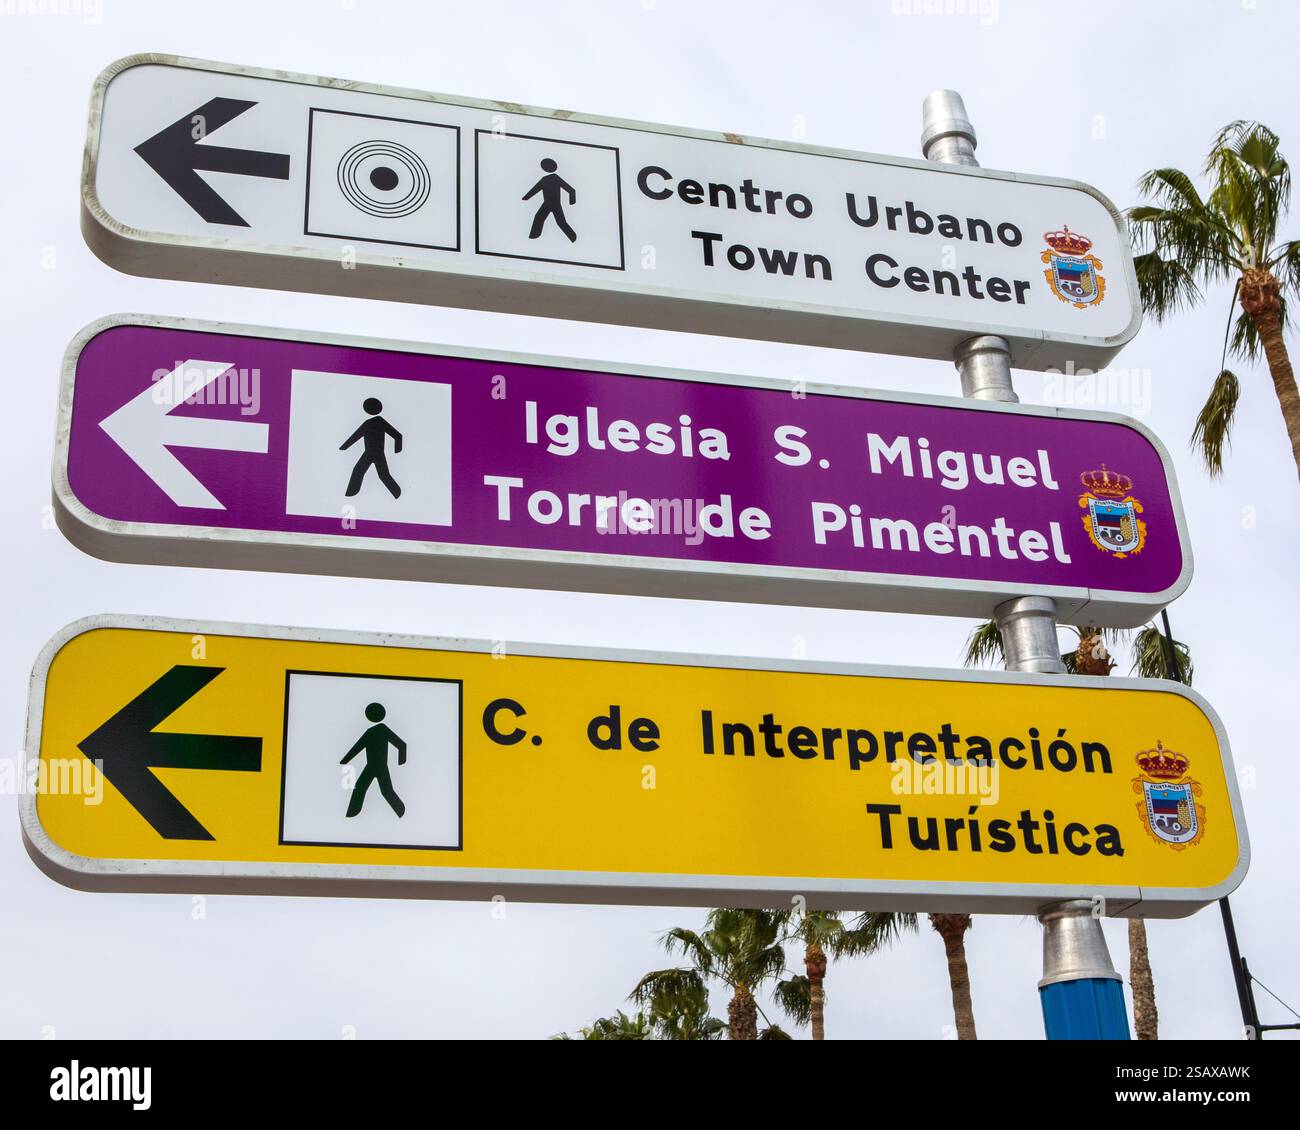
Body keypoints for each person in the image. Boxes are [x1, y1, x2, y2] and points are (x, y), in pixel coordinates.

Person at [340, 702, 407, 818]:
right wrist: (345, 760)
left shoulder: (382, 729)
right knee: (360, 786)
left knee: (386, 791)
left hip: (380, 766)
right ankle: (352, 813)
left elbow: (401, 745)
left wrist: (401, 761)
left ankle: (400, 811)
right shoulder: (370, 732)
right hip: (370, 766)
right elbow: (358, 747)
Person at [341, 397, 403, 499]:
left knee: (383, 475)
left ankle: (397, 493)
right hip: (368, 453)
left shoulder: (379, 421)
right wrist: (344, 447)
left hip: (377, 453)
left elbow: (397, 435)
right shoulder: (367, 423)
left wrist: (397, 450)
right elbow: (356, 436)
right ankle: (351, 493)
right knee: (358, 470)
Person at [524, 157, 577, 242]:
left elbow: (571, 190)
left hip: (551, 203)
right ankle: (534, 237)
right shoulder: (546, 179)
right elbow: (535, 189)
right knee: (542, 218)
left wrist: (572, 201)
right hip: (550, 203)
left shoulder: (554, 178)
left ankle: (573, 237)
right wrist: (526, 198)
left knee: (558, 222)